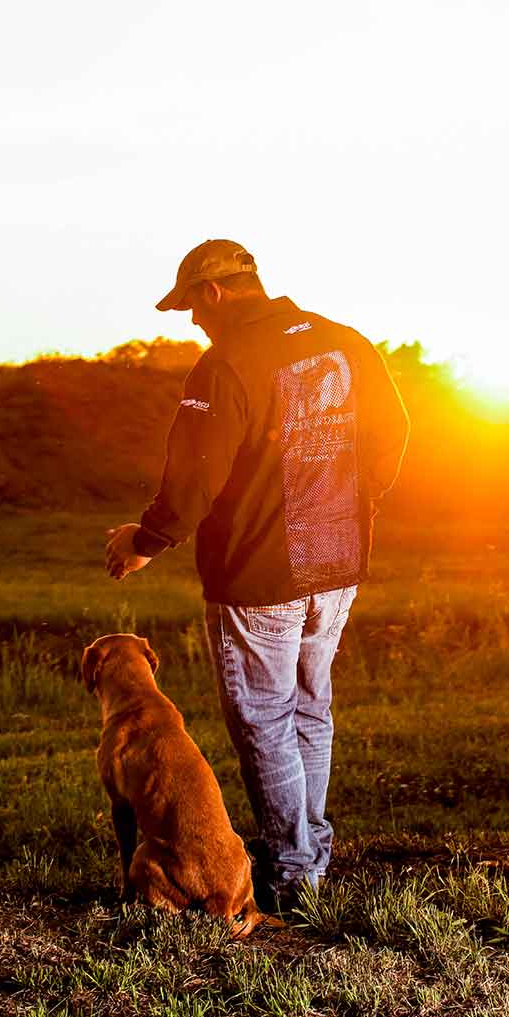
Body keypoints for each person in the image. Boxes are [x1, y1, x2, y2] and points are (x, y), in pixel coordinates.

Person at [105, 239, 409, 915]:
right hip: (339, 564)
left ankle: (293, 876)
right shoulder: (346, 341)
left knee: (266, 720)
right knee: (310, 709)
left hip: (259, 575)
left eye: (191, 306)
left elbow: (193, 477)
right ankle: (311, 860)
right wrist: (355, 505)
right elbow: (393, 432)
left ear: (214, 293)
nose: (193, 321)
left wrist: (145, 541)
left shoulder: (225, 364)